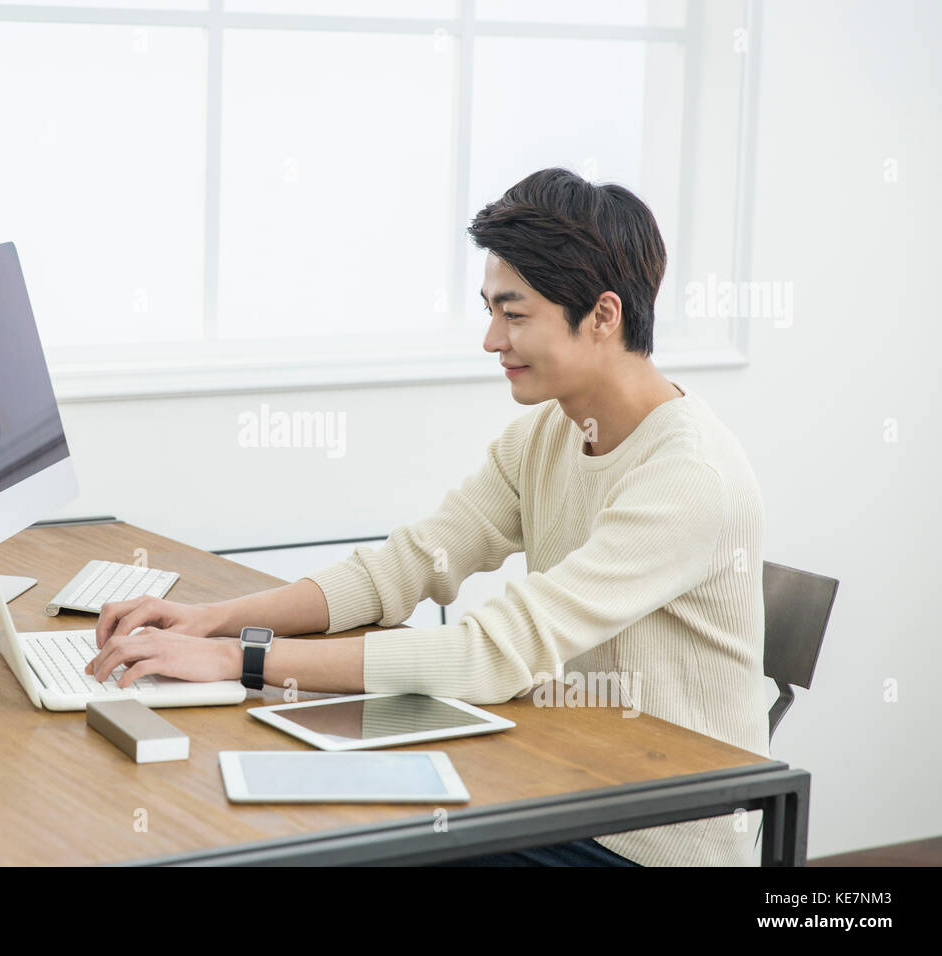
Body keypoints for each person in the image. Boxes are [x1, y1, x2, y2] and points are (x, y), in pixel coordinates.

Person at [84, 166, 772, 867]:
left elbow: (489, 652)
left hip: (655, 835)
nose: (491, 340)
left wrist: (239, 659)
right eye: (489, 311)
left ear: (602, 315)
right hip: (563, 783)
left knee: (333, 849)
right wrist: (213, 620)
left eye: (514, 314)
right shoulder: (550, 433)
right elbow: (409, 566)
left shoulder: (688, 475)